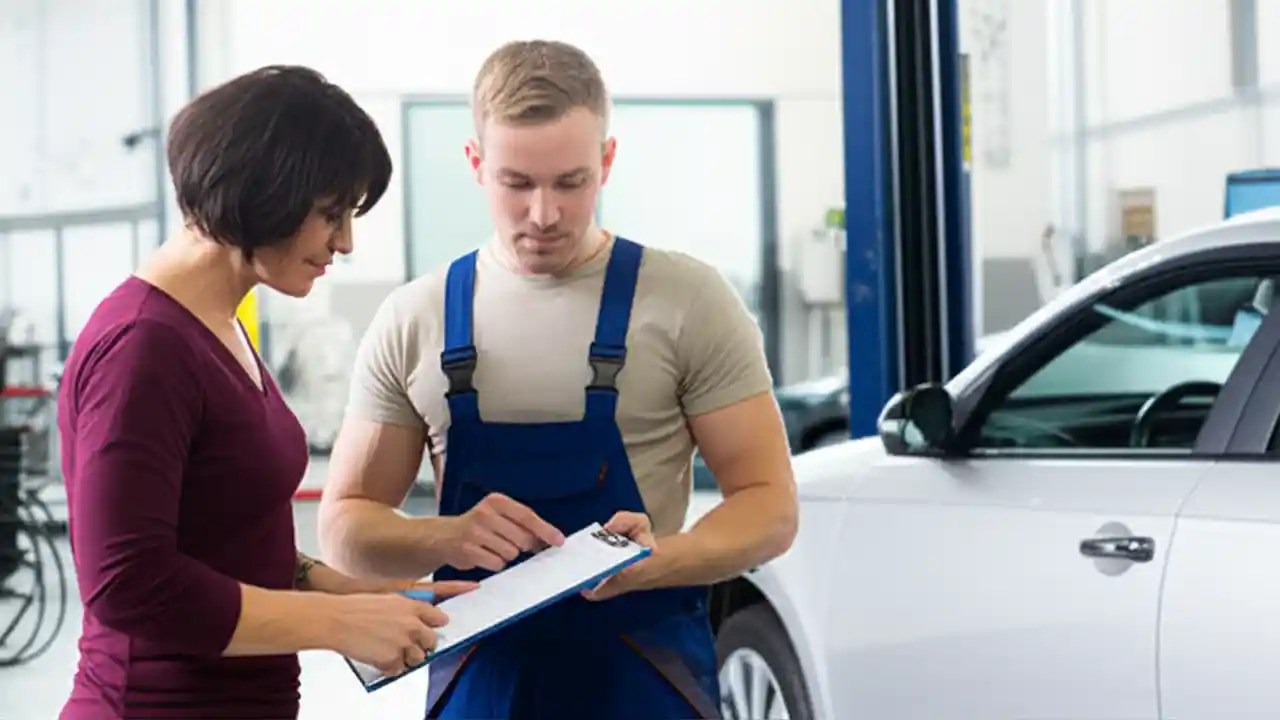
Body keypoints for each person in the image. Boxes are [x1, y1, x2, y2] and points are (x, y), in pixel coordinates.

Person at [317, 40, 799, 719]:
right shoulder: (415, 318)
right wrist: (445, 538)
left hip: (646, 677)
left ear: (606, 160)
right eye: (517, 183)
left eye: (571, 182)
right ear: (476, 163)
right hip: (479, 682)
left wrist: (659, 560)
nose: (544, 214)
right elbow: (344, 527)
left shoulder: (688, 300)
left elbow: (769, 505)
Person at [56, 66, 475, 720]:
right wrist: (335, 626)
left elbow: (230, 537)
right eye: (330, 214)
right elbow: (126, 582)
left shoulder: (217, 323)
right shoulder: (145, 345)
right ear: (263, 192)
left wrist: (367, 596)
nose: (345, 241)